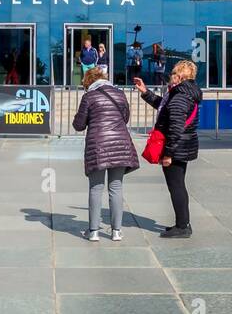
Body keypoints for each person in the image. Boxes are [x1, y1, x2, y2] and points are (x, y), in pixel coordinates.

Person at [135, 58, 201, 239]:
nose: (170, 76)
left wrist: (168, 153)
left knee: (176, 186)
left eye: (172, 73)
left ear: (179, 76)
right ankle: (183, 223)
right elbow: (164, 108)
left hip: (177, 147)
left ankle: (183, 226)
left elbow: (175, 127)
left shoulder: (180, 96)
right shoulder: (182, 93)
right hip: (183, 145)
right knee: (178, 185)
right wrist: (146, 93)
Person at [72, 66, 139, 241]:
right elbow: (125, 118)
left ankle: (93, 232)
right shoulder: (119, 94)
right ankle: (116, 231)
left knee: (96, 188)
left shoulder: (89, 97)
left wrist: (77, 117)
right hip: (120, 144)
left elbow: (79, 125)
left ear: (88, 81)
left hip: (98, 145)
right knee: (116, 187)